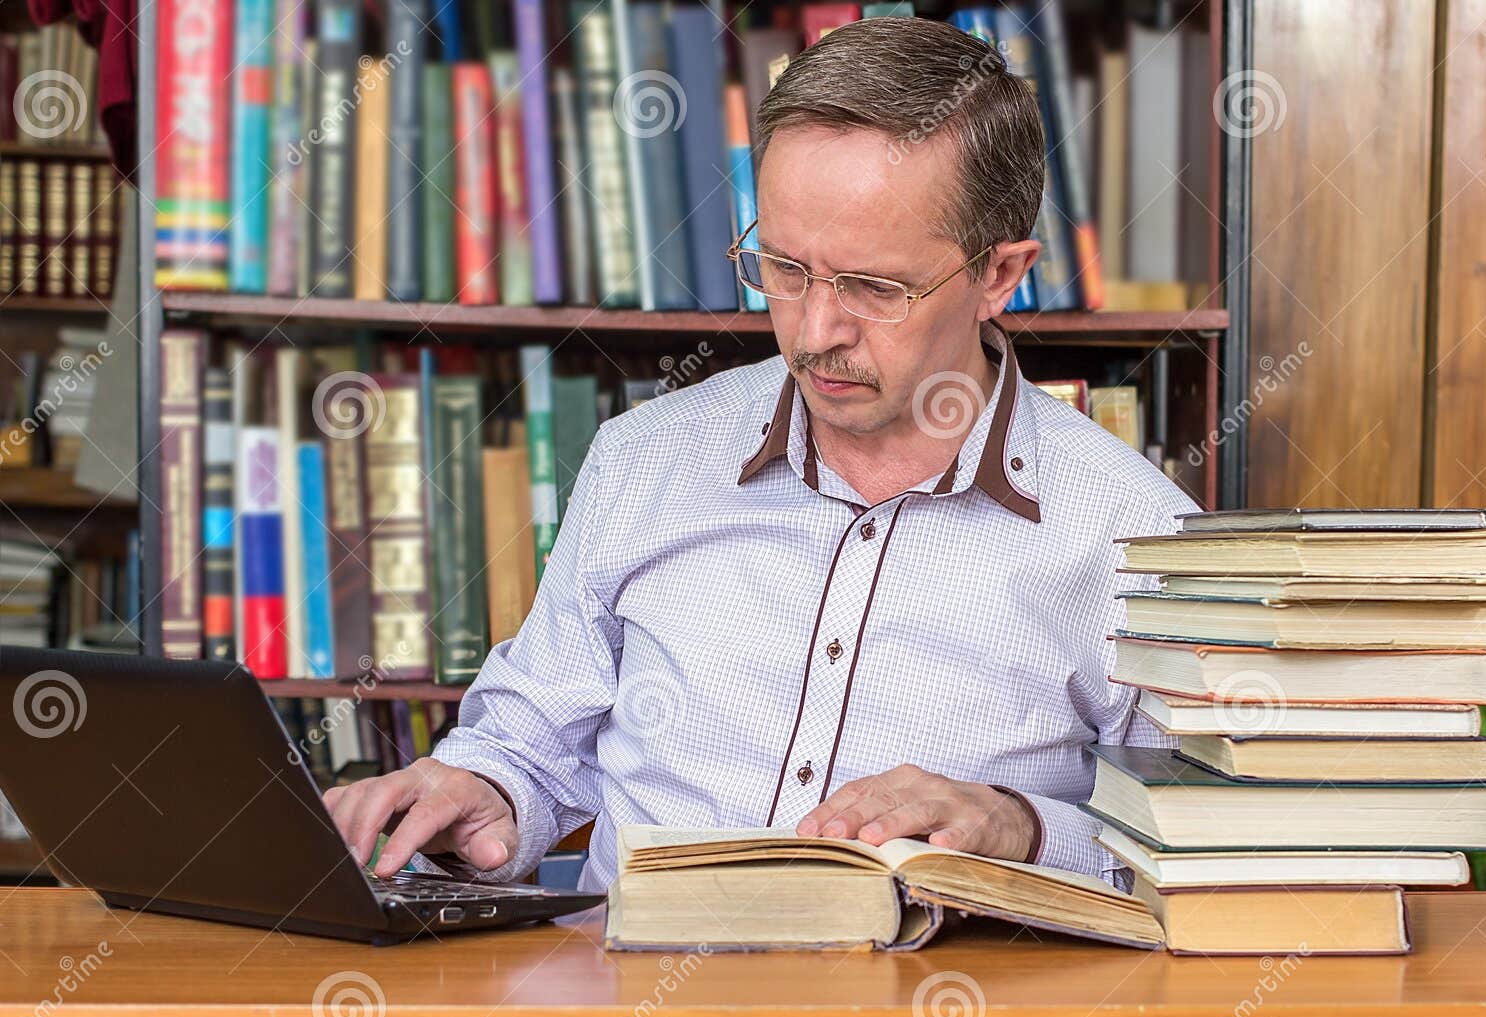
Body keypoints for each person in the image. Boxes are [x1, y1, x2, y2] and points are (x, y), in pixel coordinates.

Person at [323, 17, 1196, 893]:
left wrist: (1022, 826)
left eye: (873, 286)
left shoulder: (1142, 538)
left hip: (932, 981)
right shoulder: (642, 459)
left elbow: (1200, 848)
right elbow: (529, 744)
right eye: (783, 268)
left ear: (1000, 275)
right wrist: (482, 792)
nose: (814, 333)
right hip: (622, 978)